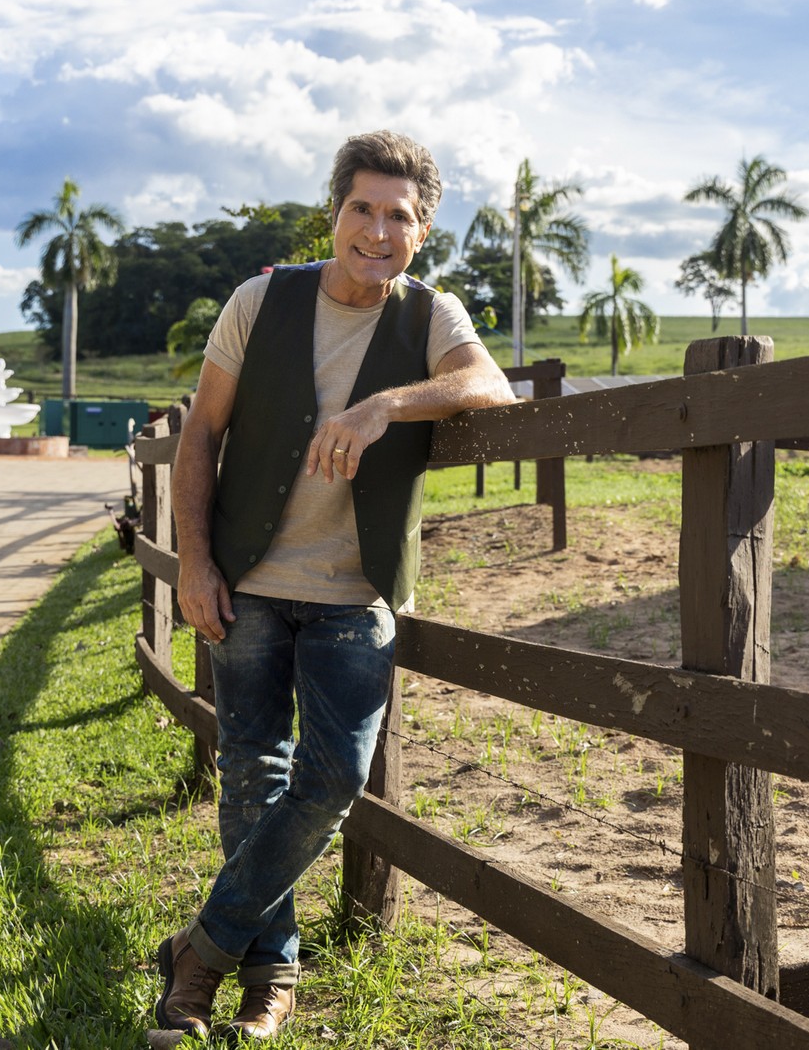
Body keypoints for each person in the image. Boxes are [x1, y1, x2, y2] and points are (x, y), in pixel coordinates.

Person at [155, 129, 516, 1040]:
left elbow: (491, 385)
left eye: (400, 216)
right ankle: (266, 973)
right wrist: (193, 561)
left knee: (333, 776)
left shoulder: (429, 315)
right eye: (363, 207)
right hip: (247, 581)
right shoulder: (260, 299)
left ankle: (201, 947)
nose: (377, 230)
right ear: (336, 211)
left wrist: (387, 403)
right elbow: (200, 434)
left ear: (421, 232)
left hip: (355, 592)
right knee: (249, 771)